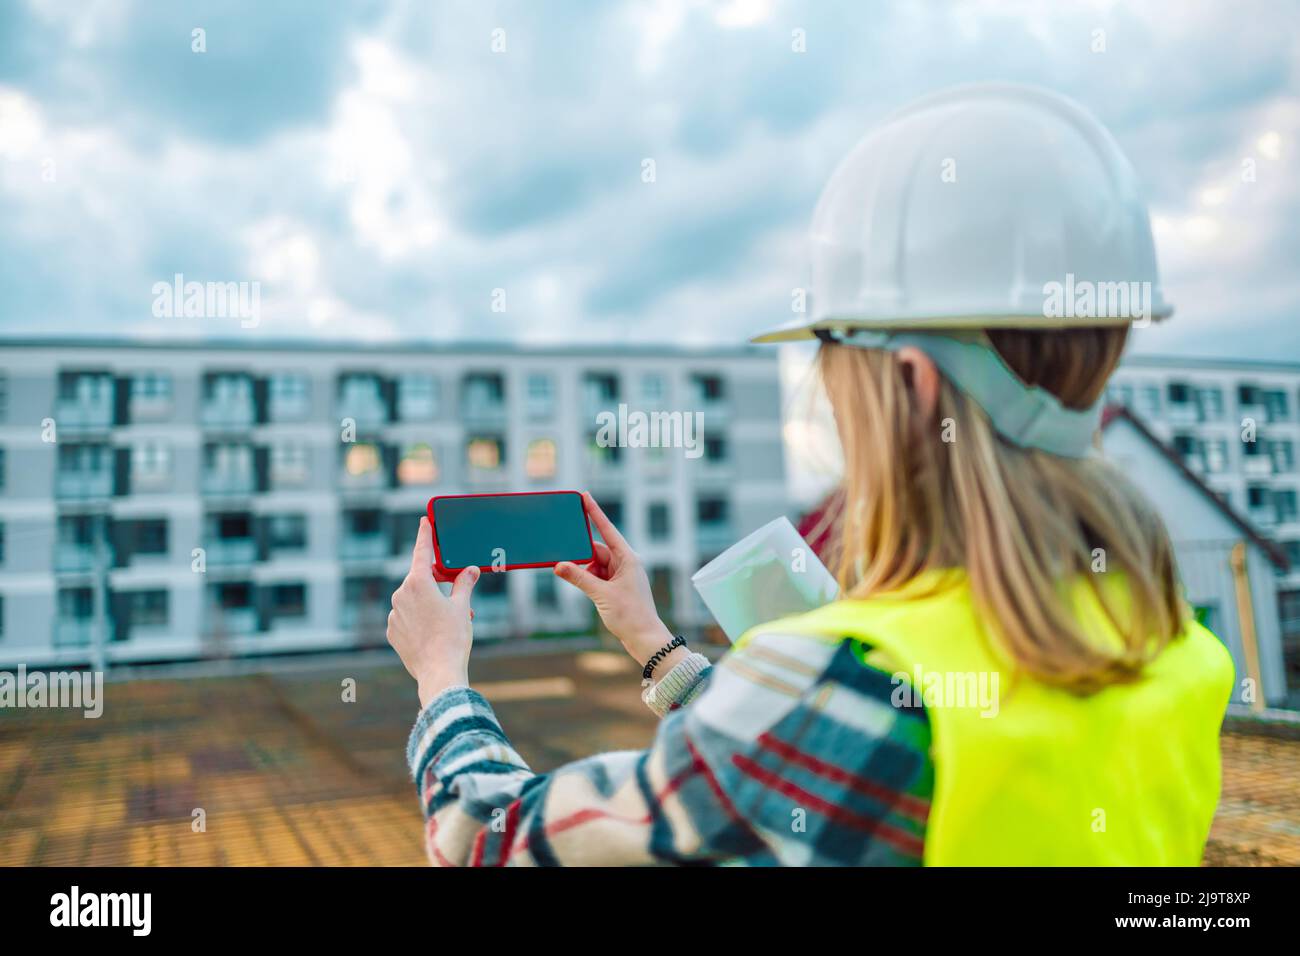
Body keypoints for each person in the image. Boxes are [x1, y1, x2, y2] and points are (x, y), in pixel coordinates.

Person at [386, 83, 1234, 866]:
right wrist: (654, 644)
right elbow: (808, 779)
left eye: (832, 354)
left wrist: (440, 676)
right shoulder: (1166, 645)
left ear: (910, 380)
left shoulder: (853, 681)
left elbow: (497, 844)